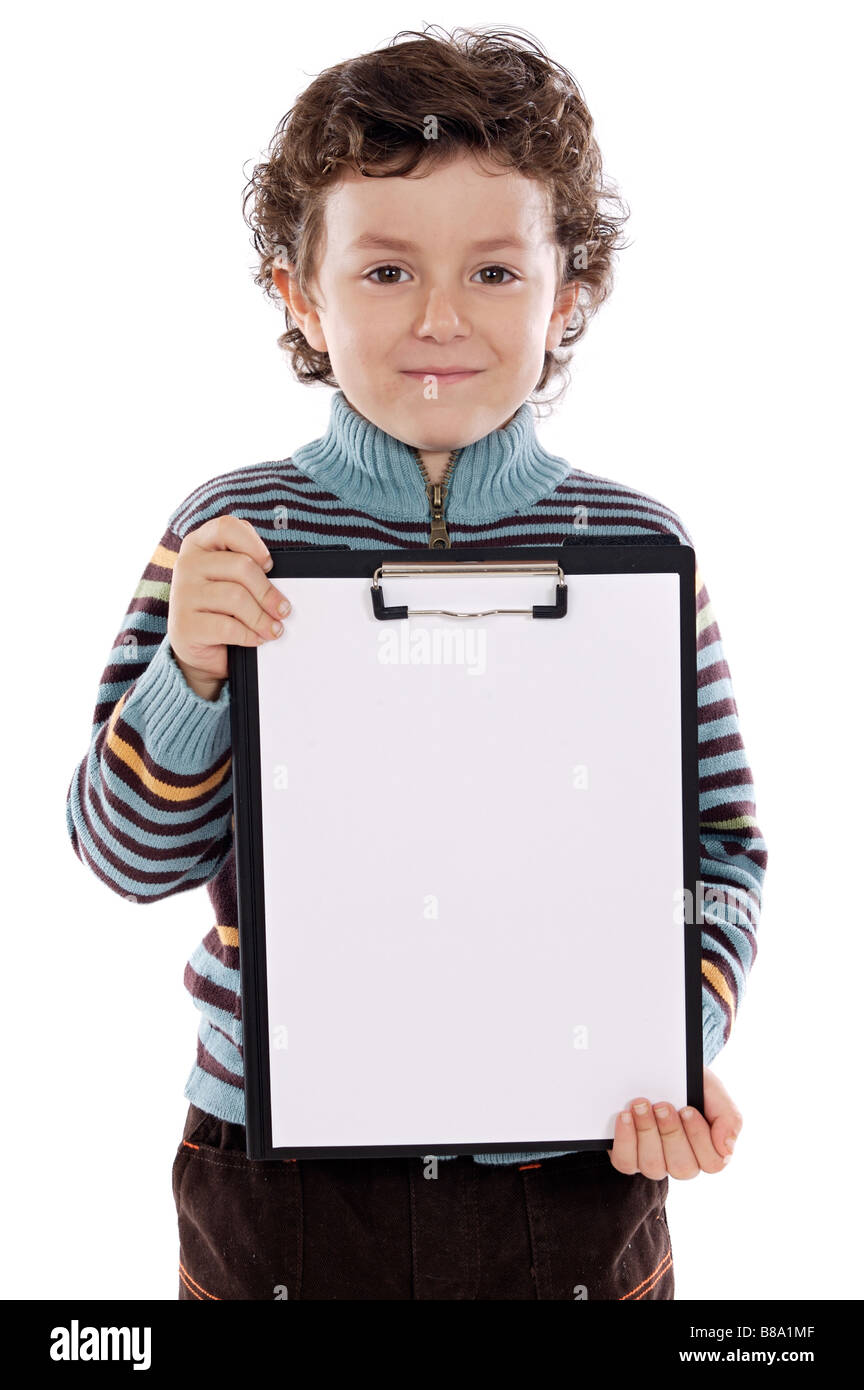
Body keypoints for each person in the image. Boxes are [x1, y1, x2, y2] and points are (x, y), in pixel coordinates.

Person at [65, 24, 766, 1300]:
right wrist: (190, 672)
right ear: (300, 296)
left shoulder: (638, 547)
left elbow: (718, 851)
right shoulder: (231, 536)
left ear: (571, 294)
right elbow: (121, 856)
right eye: (386, 271)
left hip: (568, 1161)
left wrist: (674, 1032)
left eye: (496, 271)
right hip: (276, 1168)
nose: (441, 317)